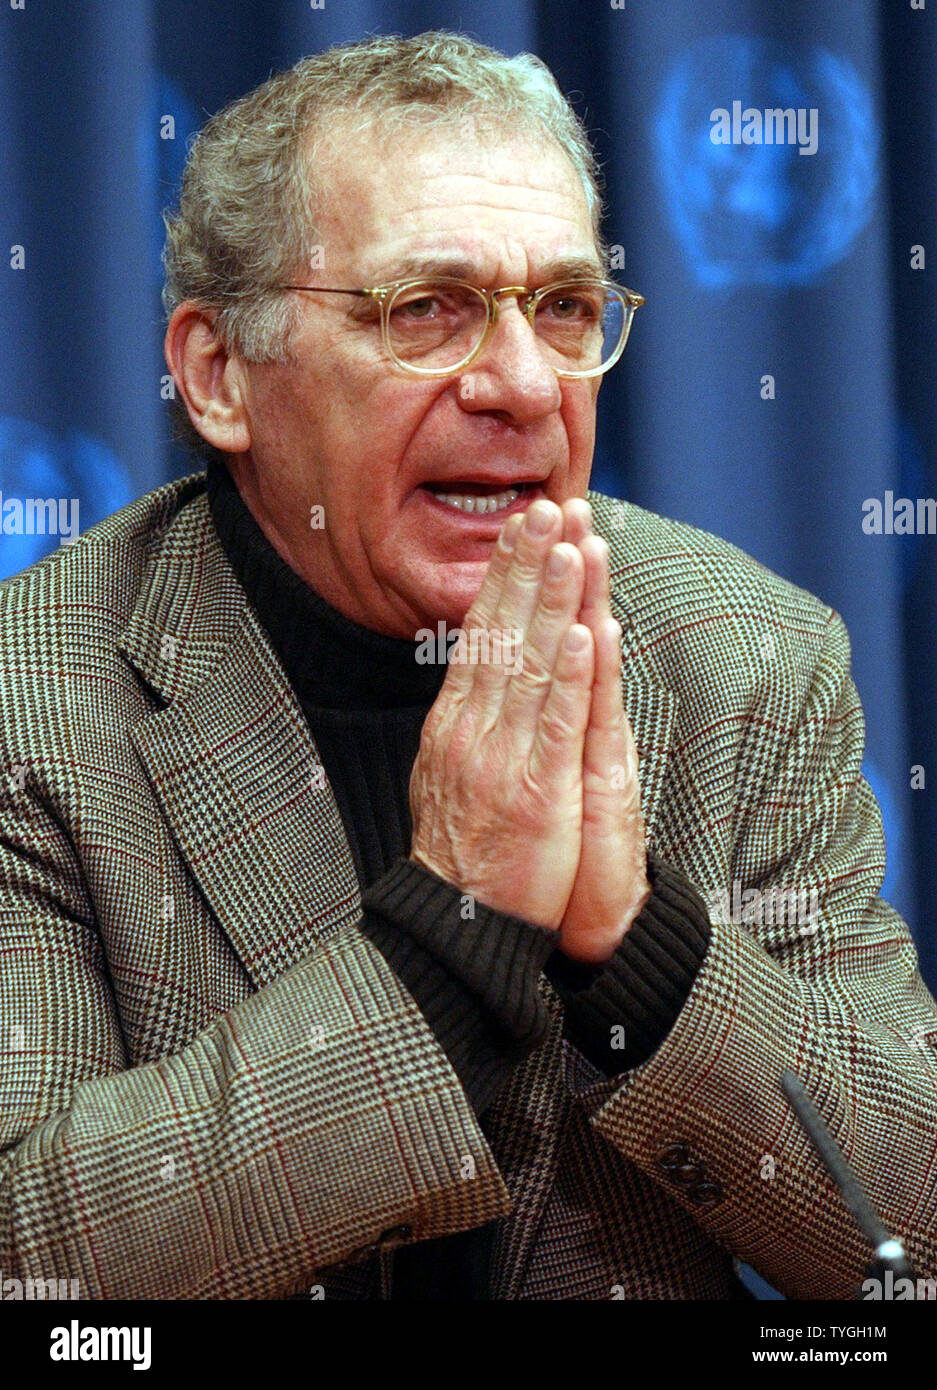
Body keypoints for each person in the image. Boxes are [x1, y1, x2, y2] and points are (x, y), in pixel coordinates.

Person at [1, 30, 934, 1301]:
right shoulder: (33, 697)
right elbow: (29, 1256)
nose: (523, 384)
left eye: (562, 309)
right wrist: (447, 931)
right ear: (220, 375)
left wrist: (646, 951)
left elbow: (911, 1241)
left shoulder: (745, 658)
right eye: (424, 310)